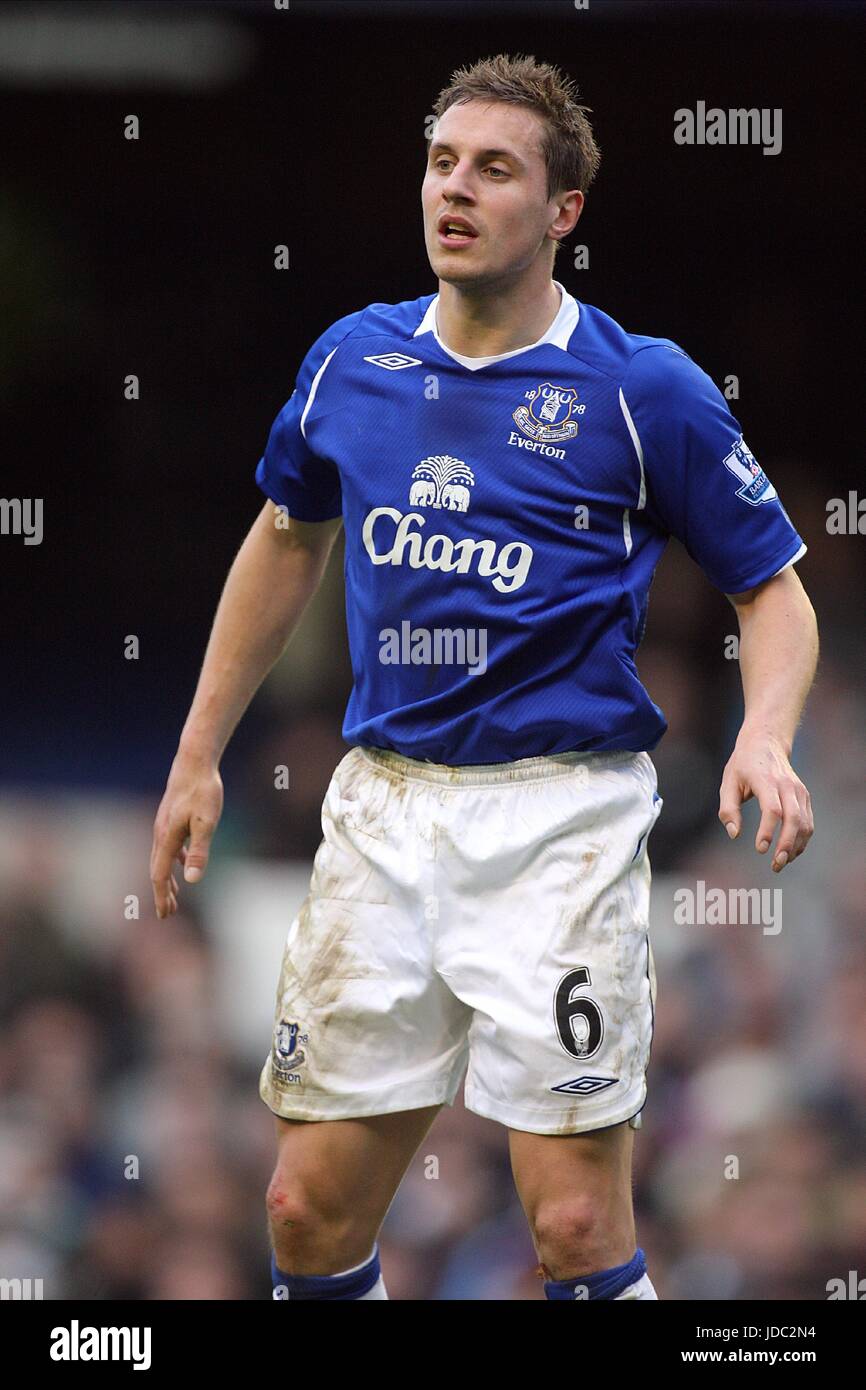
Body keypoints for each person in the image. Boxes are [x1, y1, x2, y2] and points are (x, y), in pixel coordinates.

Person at [150, 53, 817, 1302]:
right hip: (384, 812)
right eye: (440, 162)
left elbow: (770, 588)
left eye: (493, 170)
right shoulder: (354, 362)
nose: (452, 190)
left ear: (561, 212)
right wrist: (196, 755)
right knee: (302, 1209)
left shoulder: (639, 390)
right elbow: (286, 538)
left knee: (569, 1228)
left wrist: (764, 735)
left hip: (557, 823)